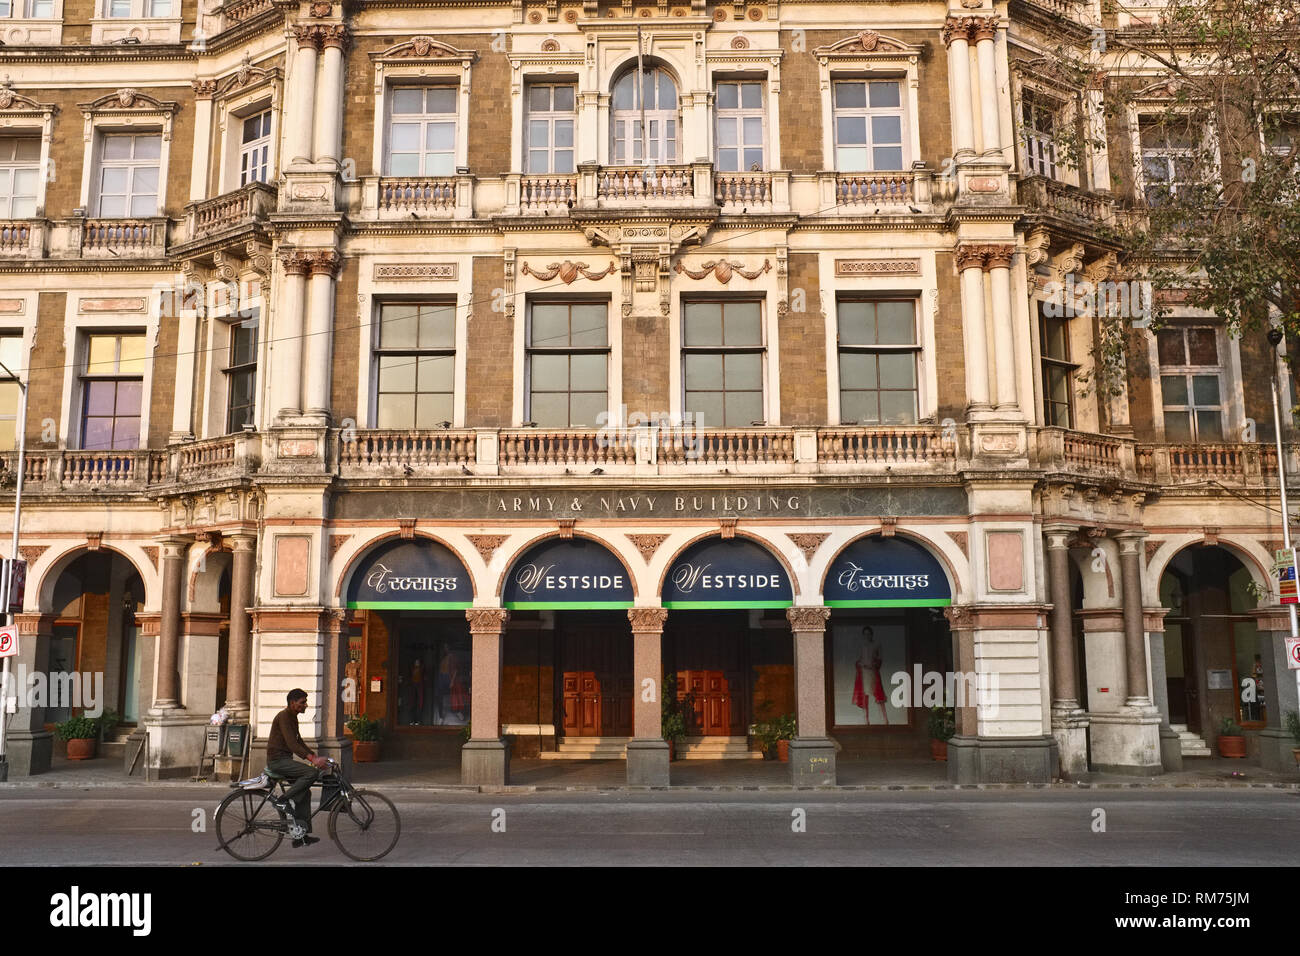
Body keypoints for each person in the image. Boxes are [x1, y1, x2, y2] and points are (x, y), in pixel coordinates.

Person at [267, 688, 331, 848]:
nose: (306, 705)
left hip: (284, 760)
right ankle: (282, 800)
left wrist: (314, 756)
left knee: (305, 793)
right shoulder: (284, 716)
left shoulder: (292, 717)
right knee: (311, 773)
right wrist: (312, 760)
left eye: (305, 702)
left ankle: (301, 835)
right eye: (302, 702)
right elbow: (292, 744)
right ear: (292, 703)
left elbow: (299, 741)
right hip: (277, 761)